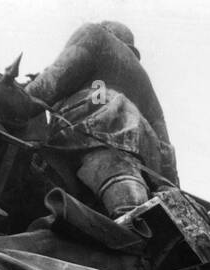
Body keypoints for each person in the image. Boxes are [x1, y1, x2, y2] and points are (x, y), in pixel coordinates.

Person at [25, 21, 177, 217]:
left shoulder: (95, 35)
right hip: (139, 162)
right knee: (129, 207)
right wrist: (170, 187)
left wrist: (18, 95)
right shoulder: (143, 79)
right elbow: (165, 146)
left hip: (88, 129)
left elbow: (52, 82)